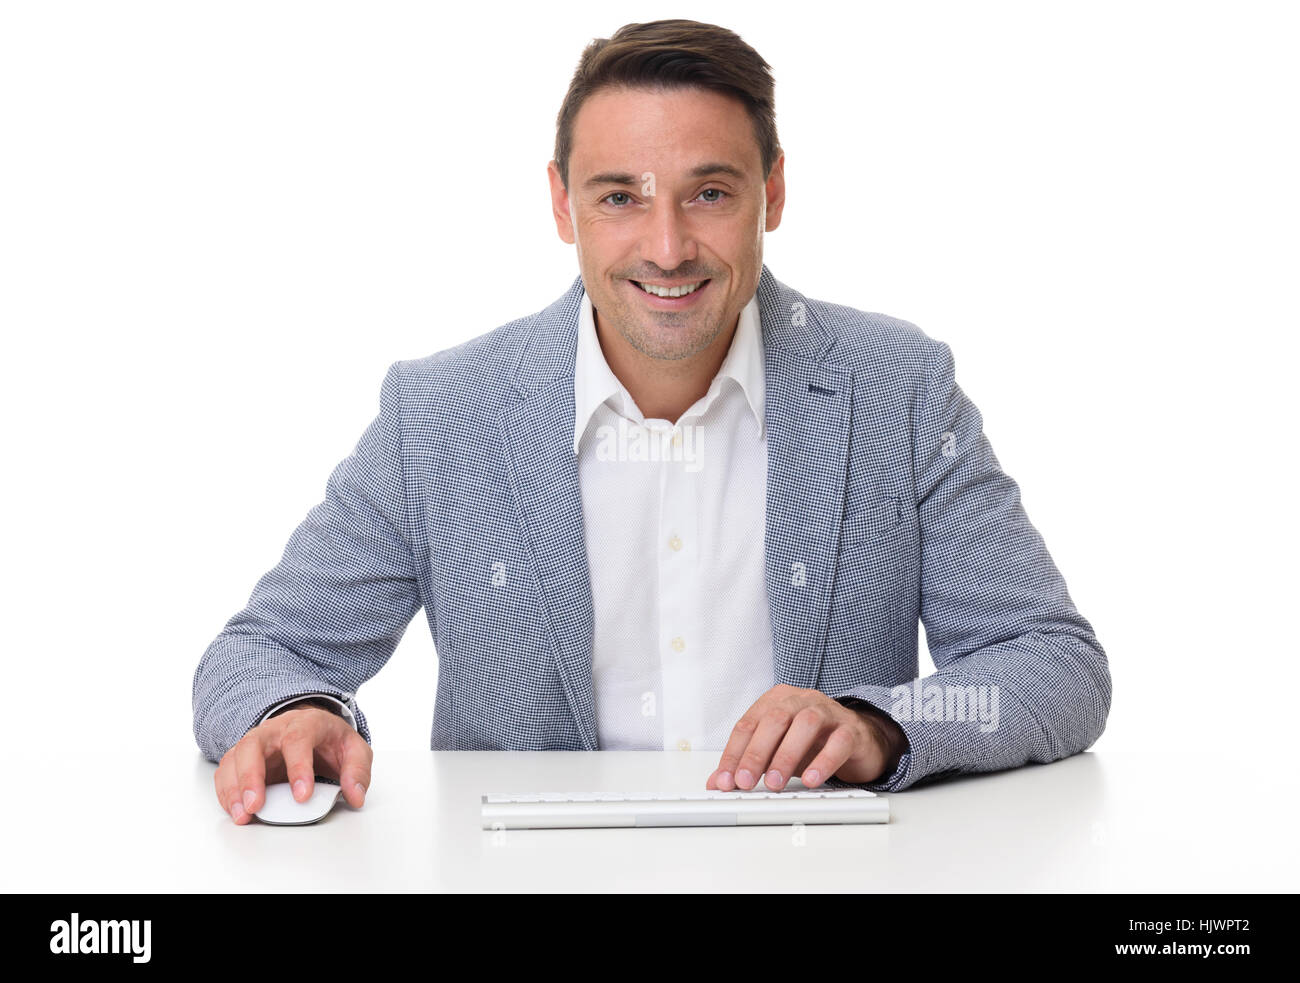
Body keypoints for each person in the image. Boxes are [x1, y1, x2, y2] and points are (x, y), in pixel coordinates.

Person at [194, 18, 1110, 825]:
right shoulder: (440, 415)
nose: (667, 248)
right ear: (563, 204)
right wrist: (293, 713)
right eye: (620, 197)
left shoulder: (897, 388)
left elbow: (1054, 662)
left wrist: (881, 726)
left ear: (772, 193)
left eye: (709, 193)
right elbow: (260, 652)